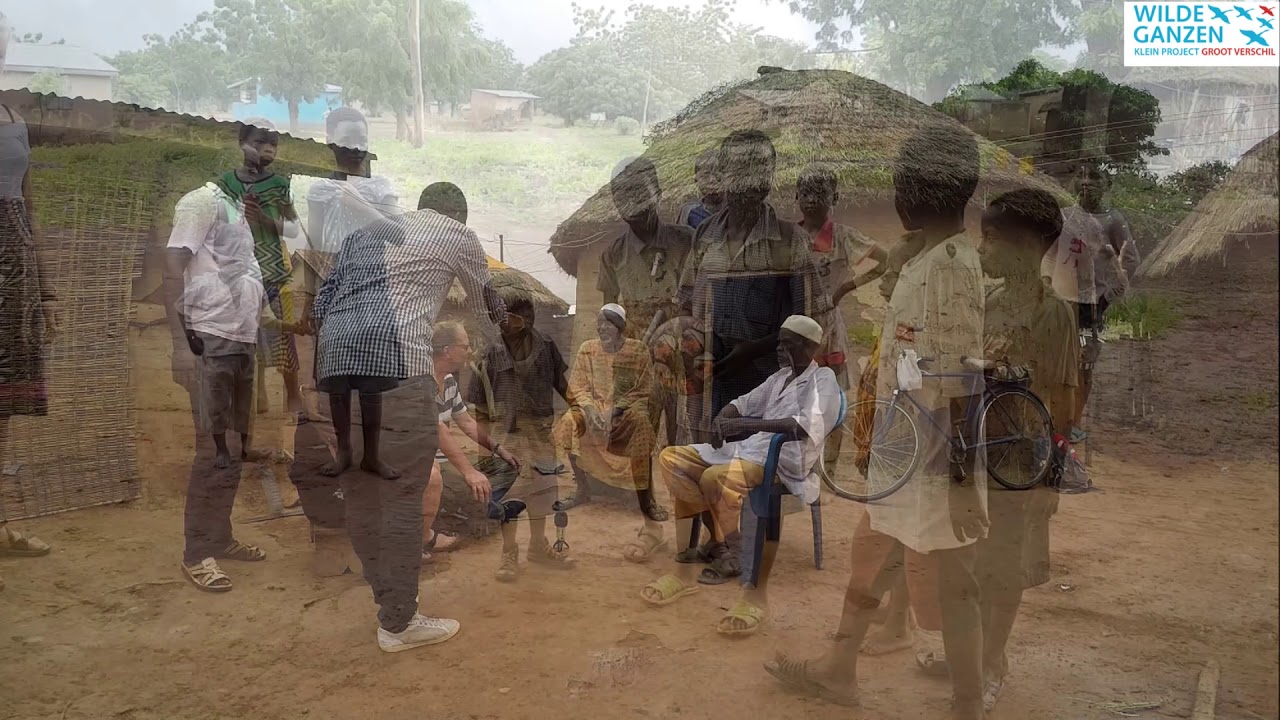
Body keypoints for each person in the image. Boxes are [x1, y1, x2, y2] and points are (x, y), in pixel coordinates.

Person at [764, 124, 989, 720]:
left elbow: (965, 377)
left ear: (914, 189)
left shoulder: (952, 268)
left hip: (938, 448)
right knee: (872, 548)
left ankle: (967, 702)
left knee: (955, 577)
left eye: (899, 180)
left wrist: (962, 476)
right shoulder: (929, 257)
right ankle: (840, 669)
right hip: (903, 441)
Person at [311, 200, 506, 651]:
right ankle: (399, 623)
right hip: (397, 371)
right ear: (458, 214)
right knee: (404, 496)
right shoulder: (456, 233)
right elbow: (485, 303)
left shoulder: (363, 234)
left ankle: (388, 602)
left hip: (335, 371)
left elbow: (322, 304)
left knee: (361, 490)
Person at [667, 129, 834, 580]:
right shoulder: (705, 234)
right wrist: (690, 344)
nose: (743, 181)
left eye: (753, 170)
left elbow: (808, 316)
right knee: (704, 453)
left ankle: (738, 552)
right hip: (714, 373)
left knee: (744, 467)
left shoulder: (786, 241)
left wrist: (753, 350)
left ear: (766, 178)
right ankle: (716, 541)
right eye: (735, 169)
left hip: (766, 377)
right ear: (723, 174)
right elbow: (686, 301)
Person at [640, 316, 840, 635]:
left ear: (810, 347)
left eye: (787, 344)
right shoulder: (780, 378)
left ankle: (753, 592)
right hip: (748, 451)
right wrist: (724, 419)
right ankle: (690, 571)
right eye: (779, 343)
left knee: (715, 478)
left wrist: (747, 425)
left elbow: (803, 427)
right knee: (673, 458)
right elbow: (743, 402)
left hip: (783, 461)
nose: (779, 350)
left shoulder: (824, 380)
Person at [960, 188, 1076, 712]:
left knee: (1002, 565)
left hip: (1021, 464)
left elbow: (1066, 400)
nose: (982, 250)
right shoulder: (989, 303)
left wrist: (1053, 474)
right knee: (971, 559)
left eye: (992, 238)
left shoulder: (1053, 315)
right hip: (979, 453)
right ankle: (975, 652)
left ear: (1028, 246)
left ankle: (991, 659)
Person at [293, 106, 402, 575]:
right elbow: (316, 243)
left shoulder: (381, 189)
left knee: (372, 380)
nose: (353, 146)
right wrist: (311, 299)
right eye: (345, 138)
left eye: (360, 137)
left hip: (374, 285)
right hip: (336, 285)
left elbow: (396, 233)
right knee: (337, 380)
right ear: (331, 144)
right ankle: (344, 453)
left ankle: (372, 455)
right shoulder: (320, 188)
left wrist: (358, 202)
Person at [164, 175, 275, 592]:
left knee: (234, 448)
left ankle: (220, 538)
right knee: (211, 449)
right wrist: (180, 344)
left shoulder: (241, 216)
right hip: (208, 343)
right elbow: (173, 268)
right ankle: (196, 554)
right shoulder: (200, 201)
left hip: (240, 343)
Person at [0, 12, 57, 590]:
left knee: (5, 409)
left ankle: (4, 522)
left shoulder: (12, 114)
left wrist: (44, 285)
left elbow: (27, 204)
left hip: (12, 270)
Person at [468, 297, 575, 580]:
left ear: (528, 322)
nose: (505, 324)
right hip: (506, 437)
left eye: (512, 319)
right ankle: (509, 552)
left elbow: (563, 387)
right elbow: (479, 406)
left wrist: (580, 410)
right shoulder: (491, 352)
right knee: (509, 496)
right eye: (502, 319)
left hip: (540, 433)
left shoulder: (547, 347)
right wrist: (485, 451)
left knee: (541, 491)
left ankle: (538, 546)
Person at [213, 119, 306, 423]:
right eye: (259, 142)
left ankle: (294, 396)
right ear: (242, 143)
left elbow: (294, 229)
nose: (267, 149)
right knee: (245, 337)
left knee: (281, 338)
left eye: (273, 144)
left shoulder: (279, 185)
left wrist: (266, 220)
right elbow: (219, 222)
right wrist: (238, 214)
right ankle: (258, 395)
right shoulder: (227, 182)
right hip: (238, 272)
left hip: (273, 272)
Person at [553, 305, 664, 562]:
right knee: (571, 421)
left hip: (624, 409)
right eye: (599, 323)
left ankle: (647, 502)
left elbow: (642, 389)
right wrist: (590, 410)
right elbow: (578, 386)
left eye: (608, 323)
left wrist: (615, 410)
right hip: (594, 408)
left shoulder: (637, 350)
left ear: (620, 326)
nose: (602, 328)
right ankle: (582, 489)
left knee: (641, 425)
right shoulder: (587, 349)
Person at [598, 157, 693, 450]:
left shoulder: (686, 242)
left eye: (641, 193)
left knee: (683, 436)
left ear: (658, 192)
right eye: (623, 196)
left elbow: (703, 301)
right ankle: (645, 496)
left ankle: (681, 494)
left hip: (684, 355)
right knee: (637, 435)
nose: (634, 205)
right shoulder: (614, 254)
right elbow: (609, 313)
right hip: (636, 356)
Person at [426, 321, 520, 562]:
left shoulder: (448, 381)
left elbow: (466, 422)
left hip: (447, 463)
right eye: (465, 346)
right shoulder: (421, 381)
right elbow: (439, 431)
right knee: (472, 486)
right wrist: (469, 472)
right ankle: (474, 507)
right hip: (427, 464)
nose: (469, 351)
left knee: (508, 467)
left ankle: (475, 504)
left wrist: (498, 449)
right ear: (447, 350)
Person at [1066, 163, 1138, 443]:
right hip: (1062, 302)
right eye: (1080, 175)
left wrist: (1108, 296)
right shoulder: (1066, 216)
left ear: (1108, 184)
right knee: (1060, 363)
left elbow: (1130, 260)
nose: (1086, 182)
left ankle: (1073, 423)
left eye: (1094, 177)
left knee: (1084, 366)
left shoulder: (1113, 220)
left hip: (1091, 306)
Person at [675, 147, 723, 231]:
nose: (712, 180)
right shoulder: (689, 212)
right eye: (706, 176)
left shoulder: (736, 210)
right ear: (696, 181)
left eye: (717, 175)